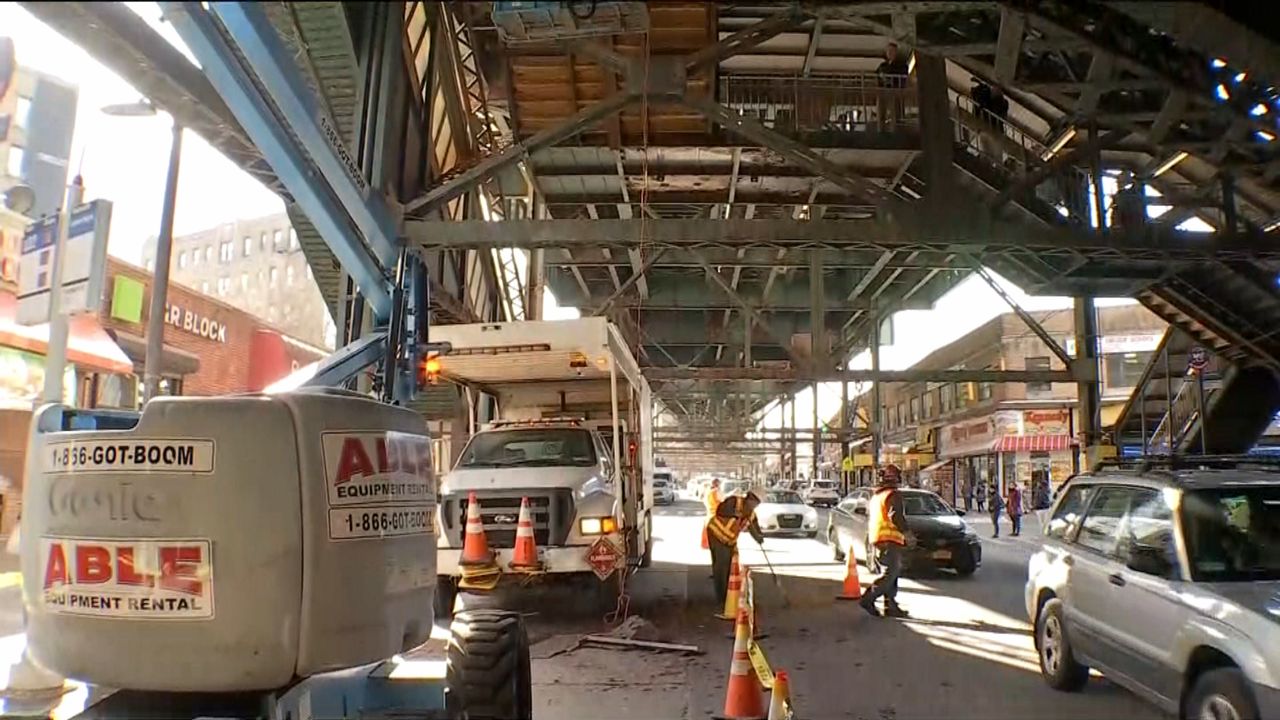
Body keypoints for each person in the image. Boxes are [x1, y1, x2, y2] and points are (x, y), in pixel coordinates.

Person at [859, 464, 911, 619]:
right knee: (890, 574)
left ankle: (891, 606)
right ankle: (868, 598)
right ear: (897, 478)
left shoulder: (877, 496)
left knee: (891, 574)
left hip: (878, 539)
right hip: (889, 539)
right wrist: (907, 532)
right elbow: (895, 516)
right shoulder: (893, 495)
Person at [706, 487, 765, 615]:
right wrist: (735, 514)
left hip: (729, 541)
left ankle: (728, 596)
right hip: (716, 534)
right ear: (748, 498)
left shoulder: (751, 515)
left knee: (730, 567)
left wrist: (759, 538)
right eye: (752, 501)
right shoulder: (734, 502)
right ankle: (721, 598)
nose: (753, 505)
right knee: (721, 566)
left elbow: (755, 529)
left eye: (756, 504)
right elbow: (720, 511)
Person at [876, 42, 910, 131]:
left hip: (894, 91)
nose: (890, 53)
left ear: (896, 52)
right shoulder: (883, 65)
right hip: (883, 90)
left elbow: (902, 75)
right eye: (888, 51)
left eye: (892, 51)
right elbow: (878, 74)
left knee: (894, 111)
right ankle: (881, 129)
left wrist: (888, 76)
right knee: (880, 109)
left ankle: (894, 130)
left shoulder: (901, 65)